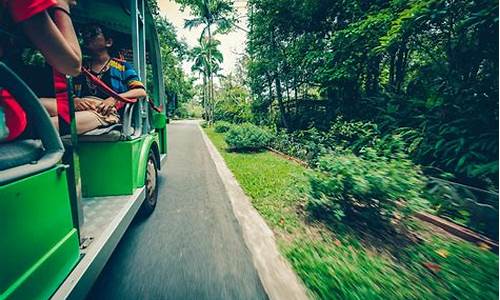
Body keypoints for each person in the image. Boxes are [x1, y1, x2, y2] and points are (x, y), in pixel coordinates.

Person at [41, 24, 147, 134]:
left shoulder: (123, 66)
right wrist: (75, 100)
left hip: (104, 112)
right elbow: (69, 90)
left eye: (93, 33)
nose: (87, 36)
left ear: (108, 42)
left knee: (50, 124)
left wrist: (114, 99)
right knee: (40, 104)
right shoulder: (80, 66)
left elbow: (140, 91)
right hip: (78, 105)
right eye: (85, 34)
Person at [0, 0, 82, 142]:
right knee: (92, 115)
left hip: (13, 105)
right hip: (8, 121)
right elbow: (71, 65)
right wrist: (62, 5)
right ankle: (103, 119)